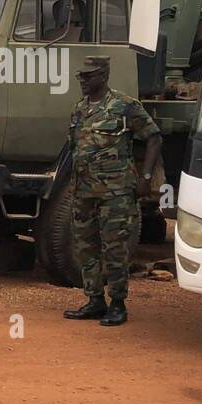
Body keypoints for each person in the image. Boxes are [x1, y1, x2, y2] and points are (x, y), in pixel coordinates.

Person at [63, 55, 162, 326]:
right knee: (86, 247)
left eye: (88, 76)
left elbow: (153, 137)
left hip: (115, 192)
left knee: (115, 249)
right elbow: (75, 148)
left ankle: (117, 303)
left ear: (103, 76)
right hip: (83, 191)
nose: (83, 80)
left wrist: (145, 177)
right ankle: (95, 300)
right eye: (80, 76)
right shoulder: (80, 109)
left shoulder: (125, 106)